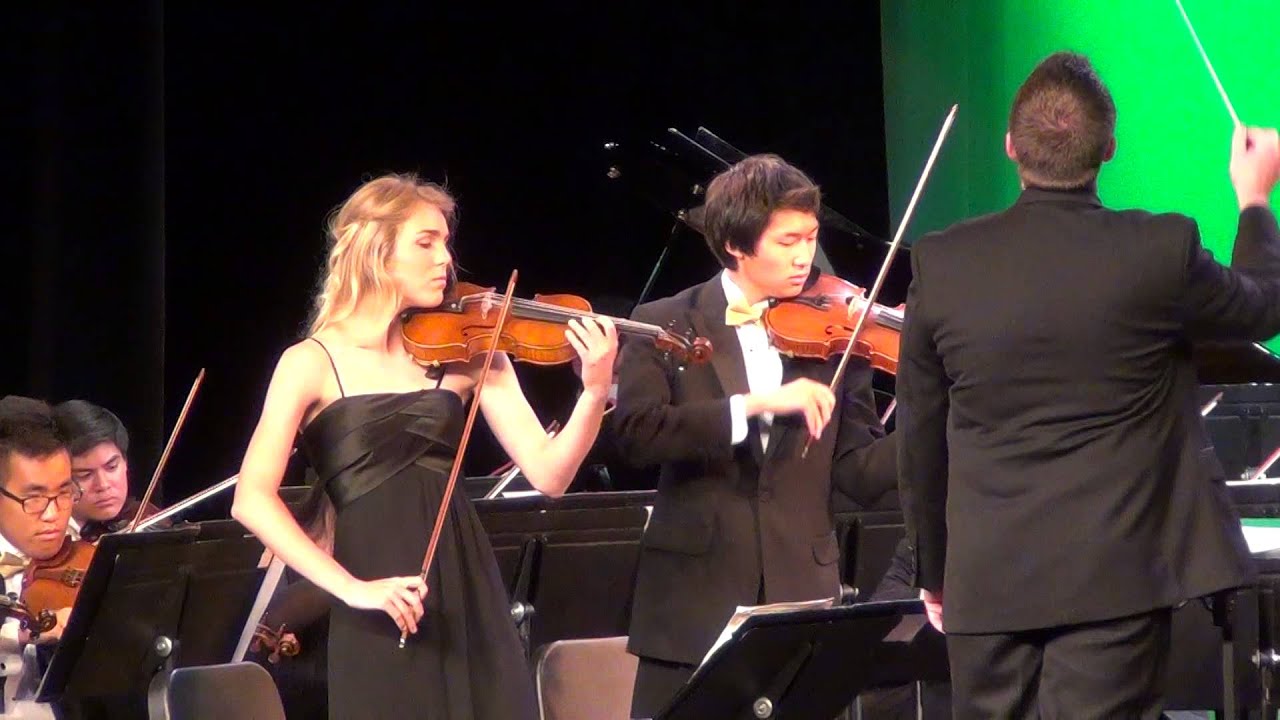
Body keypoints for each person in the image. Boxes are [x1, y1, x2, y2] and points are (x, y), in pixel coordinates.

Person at [897, 51, 1280, 718]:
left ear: (1010, 146)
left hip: (987, 585)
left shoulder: (942, 262)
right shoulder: (1158, 249)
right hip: (1117, 581)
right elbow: (1264, 305)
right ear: (1109, 149)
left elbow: (920, 435)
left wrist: (933, 570)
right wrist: (1254, 198)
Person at [230, 172, 618, 719]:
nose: (446, 260)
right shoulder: (310, 362)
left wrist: (594, 392)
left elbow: (550, 475)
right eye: (426, 242)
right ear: (376, 252)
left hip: (465, 589)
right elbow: (251, 498)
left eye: (446, 243)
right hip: (372, 601)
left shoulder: (471, 352)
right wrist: (352, 589)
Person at [611, 153, 900, 718]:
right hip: (692, 602)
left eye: (810, 238)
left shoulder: (838, 329)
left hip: (801, 597)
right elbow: (636, 435)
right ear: (736, 246)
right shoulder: (666, 319)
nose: (804, 257)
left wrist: (934, 416)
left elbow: (858, 475)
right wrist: (754, 405)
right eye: (787, 241)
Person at [0, 396, 81, 719]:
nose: (53, 514)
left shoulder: (85, 550)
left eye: (64, 492)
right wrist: (21, 635)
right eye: (33, 498)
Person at [52, 400, 170, 542]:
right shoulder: (44, 539)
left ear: (125, 462)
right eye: (85, 475)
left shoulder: (143, 518)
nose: (103, 485)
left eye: (112, 467)